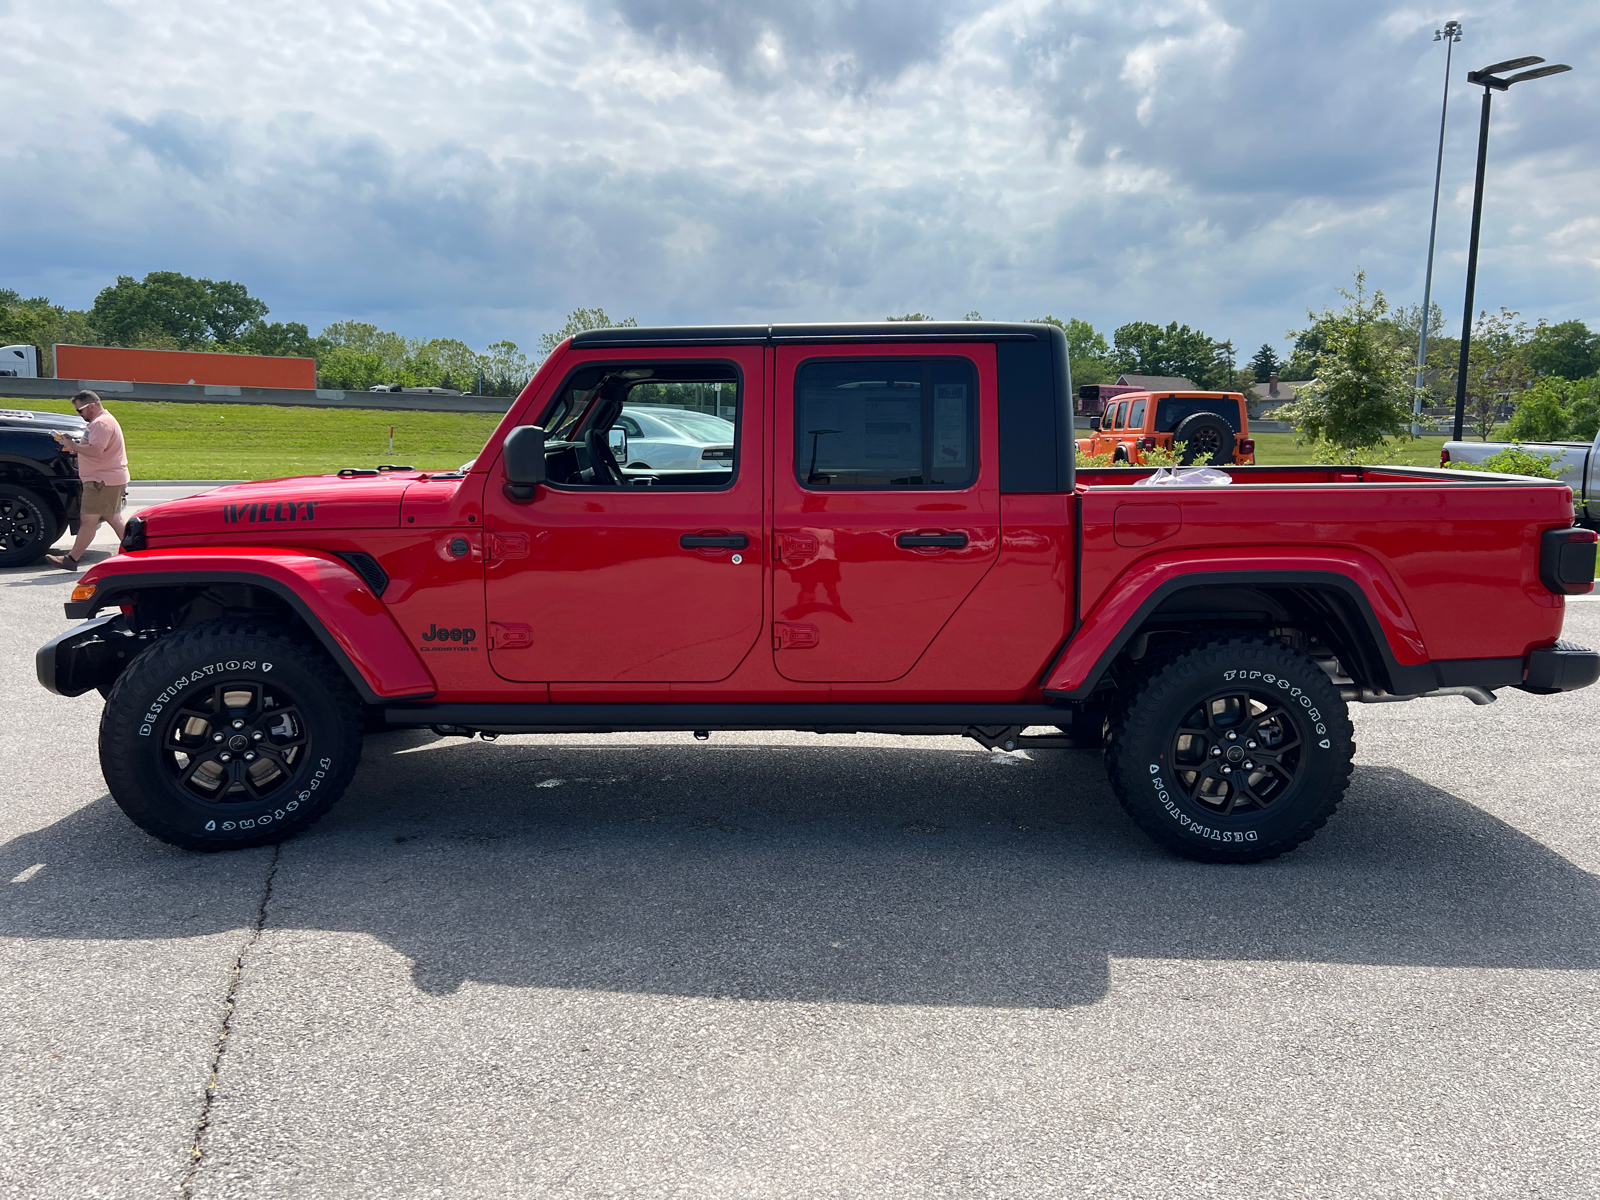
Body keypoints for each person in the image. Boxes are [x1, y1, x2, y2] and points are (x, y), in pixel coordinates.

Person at [46, 390, 130, 571]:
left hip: (101, 480)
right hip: (106, 479)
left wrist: (74, 446)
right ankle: (136, 554)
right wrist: (75, 446)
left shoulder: (101, 424)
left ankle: (71, 559)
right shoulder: (101, 422)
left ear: (91, 406)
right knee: (113, 517)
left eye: (80, 410)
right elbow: (93, 448)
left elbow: (97, 451)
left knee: (89, 520)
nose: (80, 414)